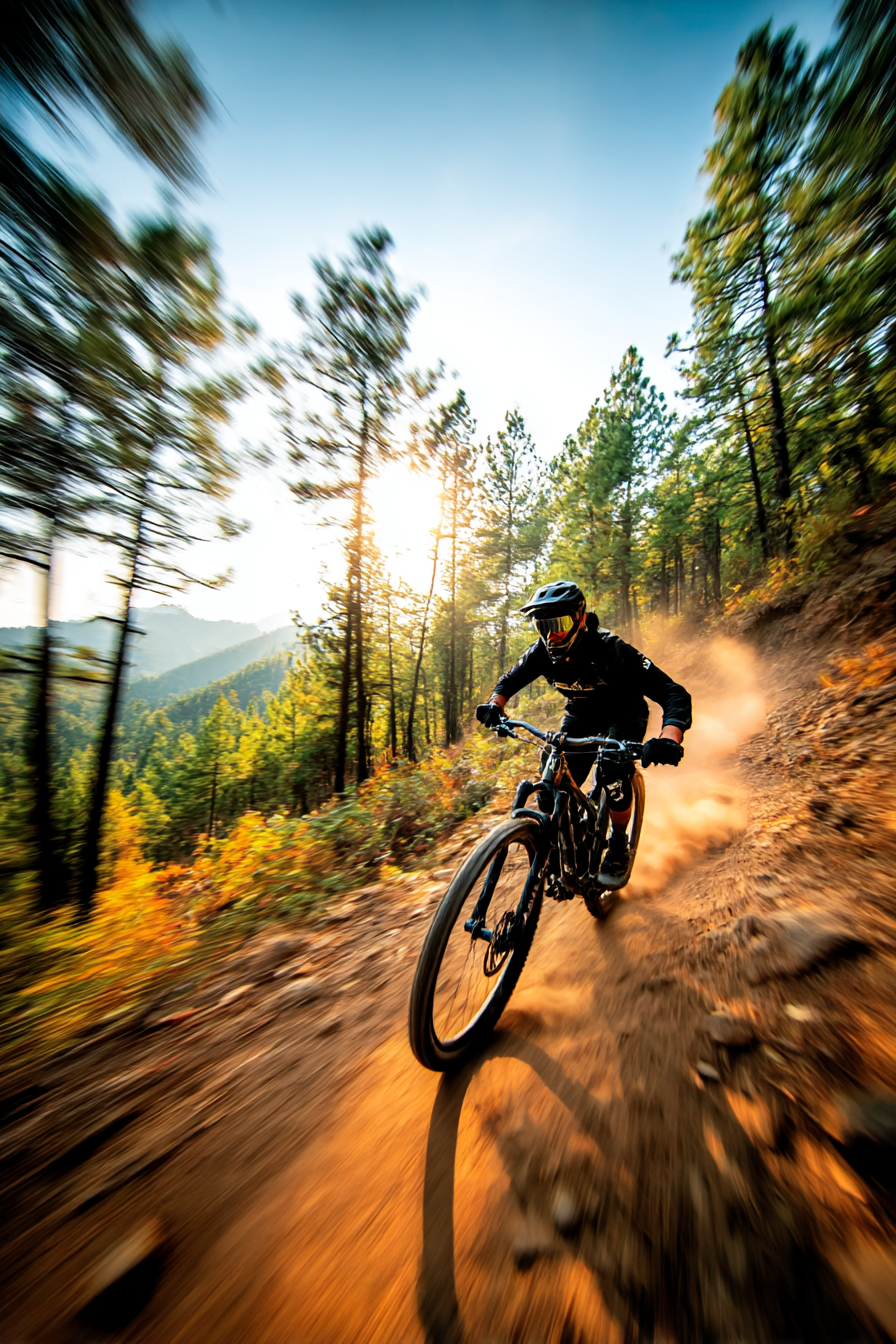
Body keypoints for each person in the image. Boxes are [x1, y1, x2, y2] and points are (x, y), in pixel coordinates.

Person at [475, 580, 692, 881]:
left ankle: (618, 843)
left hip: (624, 713)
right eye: (543, 625)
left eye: (559, 623)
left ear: (580, 617)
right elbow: (510, 680)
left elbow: (673, 693)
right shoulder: (542, 651)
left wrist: (669, 737)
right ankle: (567, 838)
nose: (552, 635)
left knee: (611, 772)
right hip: (581, 714)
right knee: (552, 782)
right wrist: (495, 705)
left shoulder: (611, 650)